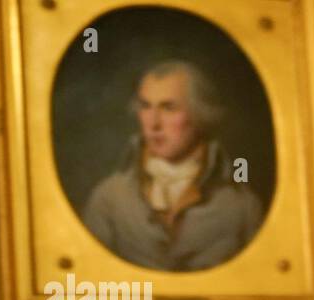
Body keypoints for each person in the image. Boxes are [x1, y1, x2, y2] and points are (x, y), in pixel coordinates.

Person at [80, 60, 264, 272]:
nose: (154, 124)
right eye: (146, 107)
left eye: (169, 108)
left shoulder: (241, 207)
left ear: (200, 115)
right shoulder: (108, 200)